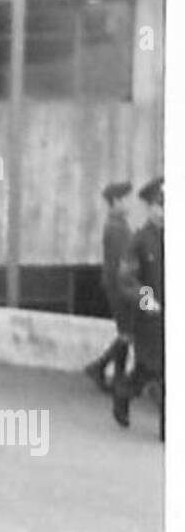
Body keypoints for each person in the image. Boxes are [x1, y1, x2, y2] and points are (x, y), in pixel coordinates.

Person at [112, 175, 164, 440]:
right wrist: (148, 301)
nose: (165, 211)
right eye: (160, 205)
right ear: (150, 208)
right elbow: (127, 279)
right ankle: (122, 394)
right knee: (149, 370)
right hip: (151, 320)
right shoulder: (141, 240)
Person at [84, 181, 135, 391]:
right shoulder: (116, 228)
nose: (129, 203)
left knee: (128, 333)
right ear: (115, 202)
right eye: (125, 199)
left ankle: (107, 371)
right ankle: (110, 374)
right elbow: (122, 263)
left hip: (119, 286)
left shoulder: (119, 224)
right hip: (120, 287)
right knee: (127, 333)